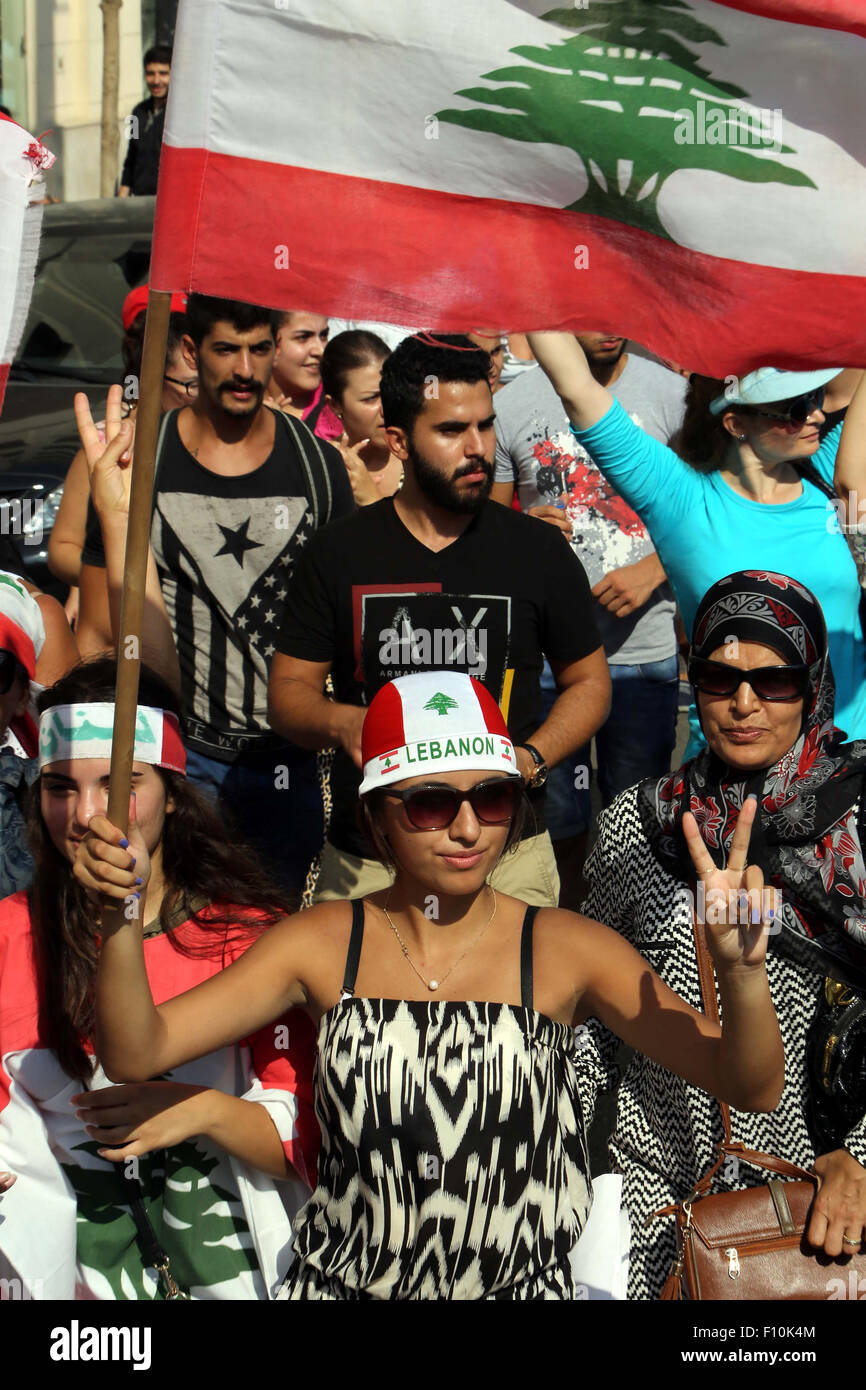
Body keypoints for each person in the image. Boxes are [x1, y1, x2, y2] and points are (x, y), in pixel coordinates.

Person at [80, 668, 784, 1301]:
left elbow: (747, 1085)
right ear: (378, 818)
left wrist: (744, 974)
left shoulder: (568, 948)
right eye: (430, 804)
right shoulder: (319, 942)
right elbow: (140, 1053)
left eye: (494, 798)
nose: (468, 827)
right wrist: (120, 920)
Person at [580, 571, 866, 1299]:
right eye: (718, 678)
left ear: (811, 682)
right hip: (662, 1195)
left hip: (821, 1200)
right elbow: (587, 1014)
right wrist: (575, 1155)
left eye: (773, 682)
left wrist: (860, 1157)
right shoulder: (637, 827)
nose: (744, 704)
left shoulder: (861, 819)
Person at [0, 657, 319, 1300]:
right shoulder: (8, 934)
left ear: (173, 793)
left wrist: (197, 1111)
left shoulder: (252, 936)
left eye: (120, 784)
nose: (88, 814)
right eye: (60, 786)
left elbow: (310, 1138)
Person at [269, 333, 612, 907]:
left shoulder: (537, 551)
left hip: (507, 856)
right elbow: (287, 696)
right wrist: (343, 724)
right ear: (398, 440)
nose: (478, 447)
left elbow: (589, 683)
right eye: (452, 431)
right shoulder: (338, 554)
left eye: (485, 425)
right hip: (370, 858)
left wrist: (530, 759)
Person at [78, 294, 354, 900]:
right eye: (227, 349)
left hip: (291, 758)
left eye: (259, 349)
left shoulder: (318, 468)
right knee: (179, 936)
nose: (245, 370)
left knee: (280, 945)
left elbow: (346, 617)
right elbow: (98, 630)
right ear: (189, 351)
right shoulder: (139, 463)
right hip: (181, 756)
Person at [528, 333, 866, 755]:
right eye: (795, 409)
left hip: (846, 765)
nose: (816, 416)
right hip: (731, 778)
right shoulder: (679, 498)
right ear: (736, 423)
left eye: (815, 398)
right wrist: (531, 280)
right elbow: (577, 388)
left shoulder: (827, 470)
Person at [493, 333, 686, 904]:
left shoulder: (672, 396)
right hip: (550, 664)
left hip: (642, 657)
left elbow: (710, 508)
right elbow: (484, 525)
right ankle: (562, 946)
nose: (607, 324)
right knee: (554, 820)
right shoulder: (511, 403)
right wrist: (524, 531)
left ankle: (636, 952)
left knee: (641, 824)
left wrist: (655, 569)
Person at [48, 292, 193, 637]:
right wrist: (106, 571)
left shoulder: (221, 446)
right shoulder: (106, 447)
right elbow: (62, 549)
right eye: (191, 383)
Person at [320, 329, 403, 504]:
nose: (386, 408)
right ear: (335, 405)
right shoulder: (319, 468)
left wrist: (371, 500)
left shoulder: (422, 459)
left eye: (391, 391)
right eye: (370, 398)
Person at [267, 311, 342, 441]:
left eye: (323, 336)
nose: (320, 351)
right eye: (303, 337)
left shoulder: (340, 407)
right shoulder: (235, 404)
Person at [118, 46, 171, 198]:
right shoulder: (136, 112)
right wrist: (122, 198)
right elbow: (131, 158)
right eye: (150, 74)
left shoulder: (180, 115)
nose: (156, 80)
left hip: (167, 200)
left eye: (163, 73)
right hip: (140, 200)